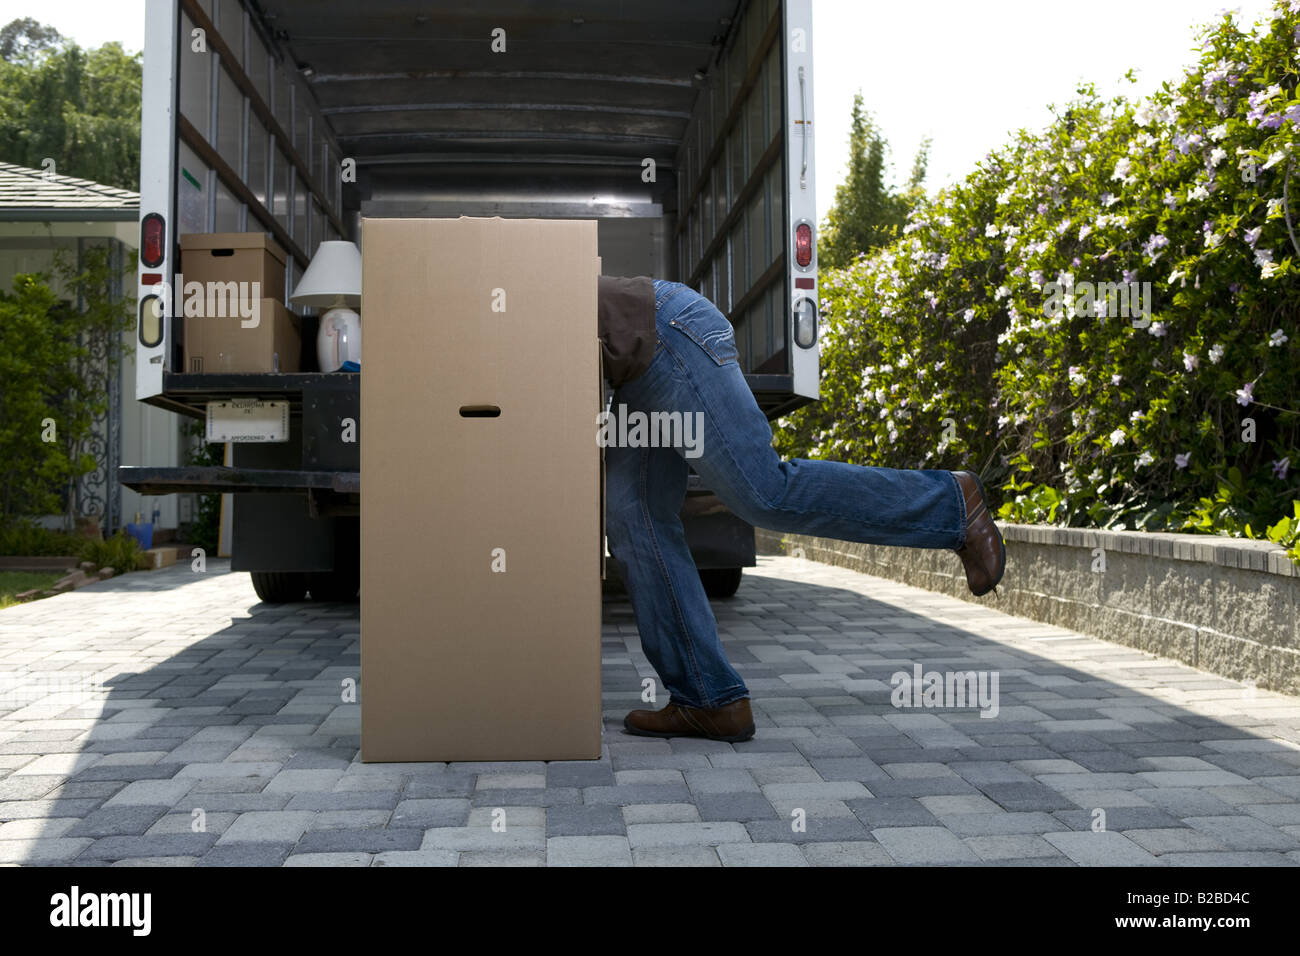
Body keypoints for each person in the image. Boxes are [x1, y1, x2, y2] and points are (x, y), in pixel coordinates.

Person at [597, 277, 1006, 744]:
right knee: (633, 519)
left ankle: (952, 506)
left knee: (763, 492)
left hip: (668, 333)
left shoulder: (503, 287)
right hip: (635, 366)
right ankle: (708, 699)